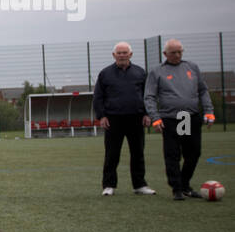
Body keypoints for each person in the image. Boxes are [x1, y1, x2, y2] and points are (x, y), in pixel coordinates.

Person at [144, 39, 216, 200]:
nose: (177, 55)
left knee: (193, 153)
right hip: (171, 119)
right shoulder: (157, 72)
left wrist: (209, 111)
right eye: (173, 52)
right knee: (173, 154)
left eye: (179, 52)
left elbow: (203, 91)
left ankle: (185, 184)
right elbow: (149, 97)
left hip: (190, 117)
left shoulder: (192, 67)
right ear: (165, 54)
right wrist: (155, 118)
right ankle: (177, 188)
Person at [92, 42, 154, 196]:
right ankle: (108, 185)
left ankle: (139, 185)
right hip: (113, 119)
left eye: (125, 52)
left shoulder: (140, 73)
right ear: (114, 55)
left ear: (131, 54)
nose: (122, 55)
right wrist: (102, 116)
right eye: (119, 53)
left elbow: (148, 96)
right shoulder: (105, 73)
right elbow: (98, 97)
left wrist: (147, 114)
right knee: (112, 154)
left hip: (136, 118)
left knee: (138, 152)